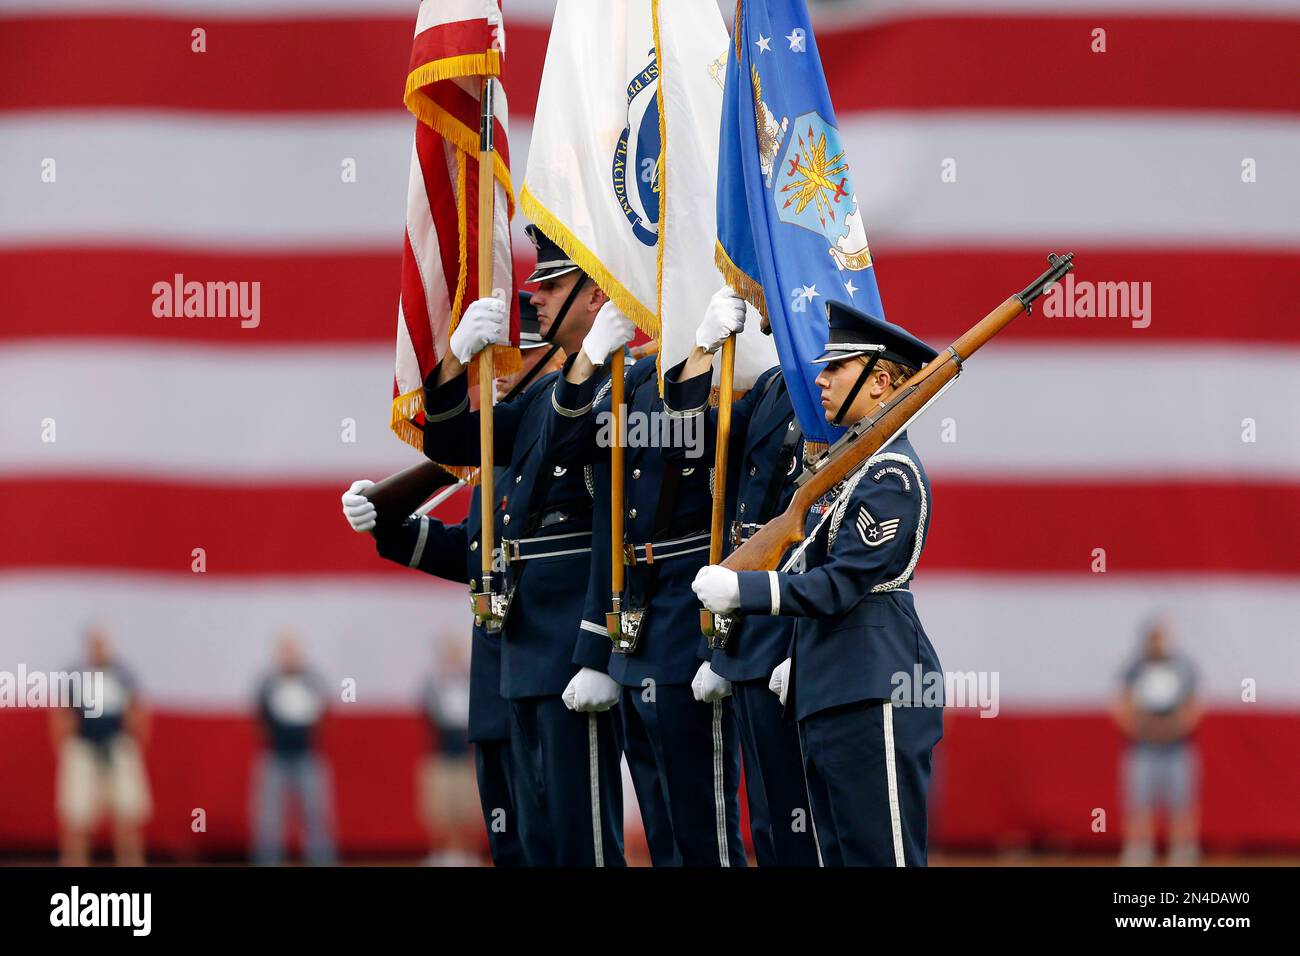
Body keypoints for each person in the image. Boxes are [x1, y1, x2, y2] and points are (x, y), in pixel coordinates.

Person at [693, 300, 944, 866]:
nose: (820, 380)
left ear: (881, 381)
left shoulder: (890, 475)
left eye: (837, 369)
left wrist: (744, 593)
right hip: (827, 688)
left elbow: (839, 585)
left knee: (882, 857)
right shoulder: (844, 473)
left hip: (875, 685)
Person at [417, 227, 628, 866]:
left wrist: (596, 647)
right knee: (536, 846)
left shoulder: (621, 386)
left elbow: (604, 532)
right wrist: (453, 362)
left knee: (584, 846)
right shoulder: (541, 402)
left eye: (553, 287)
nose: (533, 300)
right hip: (523, 653)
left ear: (596, 299)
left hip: (574, 648)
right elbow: (453, 442)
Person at [339, 291, 561, 866]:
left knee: (558, 846)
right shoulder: (496, 444)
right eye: (498, 360)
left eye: (517, 358)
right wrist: (388, 523)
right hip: (495, 680)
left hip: (549, 673)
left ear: (557, 358)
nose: (502, 373)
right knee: (511, 850)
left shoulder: (561, 431)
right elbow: (473, 554)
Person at [541, 296, 747, 867]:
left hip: (689, 615)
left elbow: (687, 442)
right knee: (660, 823)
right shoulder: (627, 381)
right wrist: (586, 362)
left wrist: (701, 350)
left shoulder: (729, 369)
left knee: (702, 825)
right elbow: (563, 447)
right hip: (635, 622)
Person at [660, 287, 820, 866]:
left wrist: (801, 647)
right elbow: (699, 444)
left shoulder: (828, 387)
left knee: (804, 829)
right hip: (750, 629)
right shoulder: (780, 383)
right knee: (771, 828)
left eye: (772, 287)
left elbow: (824, 527)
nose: (760, 305)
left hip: (790, 627)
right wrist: (700, 359)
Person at [51, 626, 152, 866]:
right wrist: (65, 745)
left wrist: (133, 744)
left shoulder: (123, 675)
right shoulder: (75, 676)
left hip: (117, 748)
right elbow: (61, 714)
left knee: (127, 819)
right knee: (77, 821)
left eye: (103, 643)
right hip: (83, 749)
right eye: (95, 643)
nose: (99, 648)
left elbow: (138, 712)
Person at [1112, 617, 1201, 866]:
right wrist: (1144, 730)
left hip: (1177, 748)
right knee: (1138, 803)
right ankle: (1138, 850)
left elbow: (1194, 707)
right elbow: (1121, 705)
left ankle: (1183, 851)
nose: (1159, 642)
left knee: (1182, 803)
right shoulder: (1135, 668)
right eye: (1155, 637)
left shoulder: (1183, 667)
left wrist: (1172, 729)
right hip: (1142, 749)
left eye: (1163, 637)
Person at [250, 634, 337, 865]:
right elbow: (257, 718)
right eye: (285, 651)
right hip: (275, 757)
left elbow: (325, 712)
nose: (289, 656)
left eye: (293, 651)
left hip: (307, 756)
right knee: (268, 821)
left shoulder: (313, 682)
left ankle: (322, 860)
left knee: (316, 817)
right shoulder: (268, 683)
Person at [418, 640, 483, 866]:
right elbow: (427, 713)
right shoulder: (433, 685)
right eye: (448, 654)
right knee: (440, 812)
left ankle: (466, 854)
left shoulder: (470, 684)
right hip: (440, 757)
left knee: (467, 811)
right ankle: (441, 853)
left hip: (465, 757)